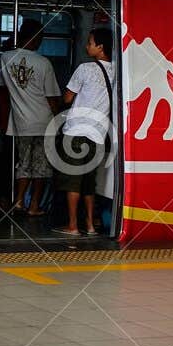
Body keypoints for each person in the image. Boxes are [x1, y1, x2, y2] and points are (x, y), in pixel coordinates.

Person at [0, 18, 60, 217]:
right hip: (44, 122)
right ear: (36, 38)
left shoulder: (5, 58)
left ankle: (18, 202)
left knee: (23, 164)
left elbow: (3, 92)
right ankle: (33, 206)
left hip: (20, 123)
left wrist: (3, 120)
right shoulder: (43, 63)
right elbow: (51, 98)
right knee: (41, 167)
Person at [56, 27, 114, 237]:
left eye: (90, 43)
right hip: (98, 135)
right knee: (89, 183)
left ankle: (72, 226)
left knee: (73, 181)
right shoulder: (117, 71)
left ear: (100, 47)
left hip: (77, 131)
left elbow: (67, 98)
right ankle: (89, 225)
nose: (87, 46)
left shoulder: (85, 68)